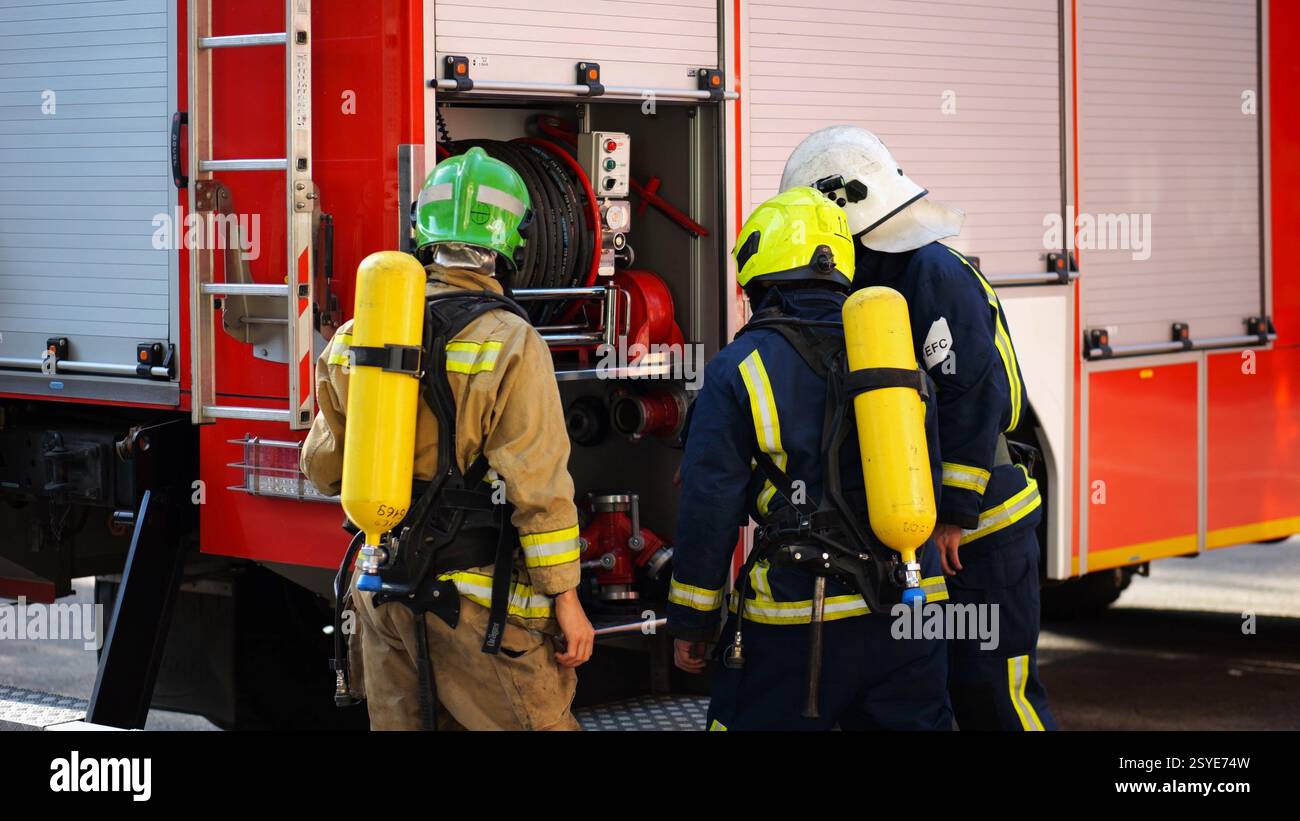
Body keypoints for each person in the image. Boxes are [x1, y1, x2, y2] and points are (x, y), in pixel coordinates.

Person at [302, 146, 594, 730]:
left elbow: (324, 467)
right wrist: (566, 598)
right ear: (513, 239)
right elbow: (537, 487)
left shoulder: (357, 336)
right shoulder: (510, 341)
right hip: (476, 601)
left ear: (423, 231)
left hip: (380, 590)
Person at [781, 125, 1056, 731]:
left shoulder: (925, 269)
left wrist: (956, 510)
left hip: (980, 528)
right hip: (924, 529)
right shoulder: (875, 270)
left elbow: (972, 391)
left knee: (995, 694)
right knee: (939, 696)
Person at [666, 187, 952, 730]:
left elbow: (710, 506)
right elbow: (928, 472)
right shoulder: (897, 355)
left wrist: (693, 620)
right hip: (913, 607)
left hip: (801, 618)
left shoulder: (740, 368)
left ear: (761, 278)